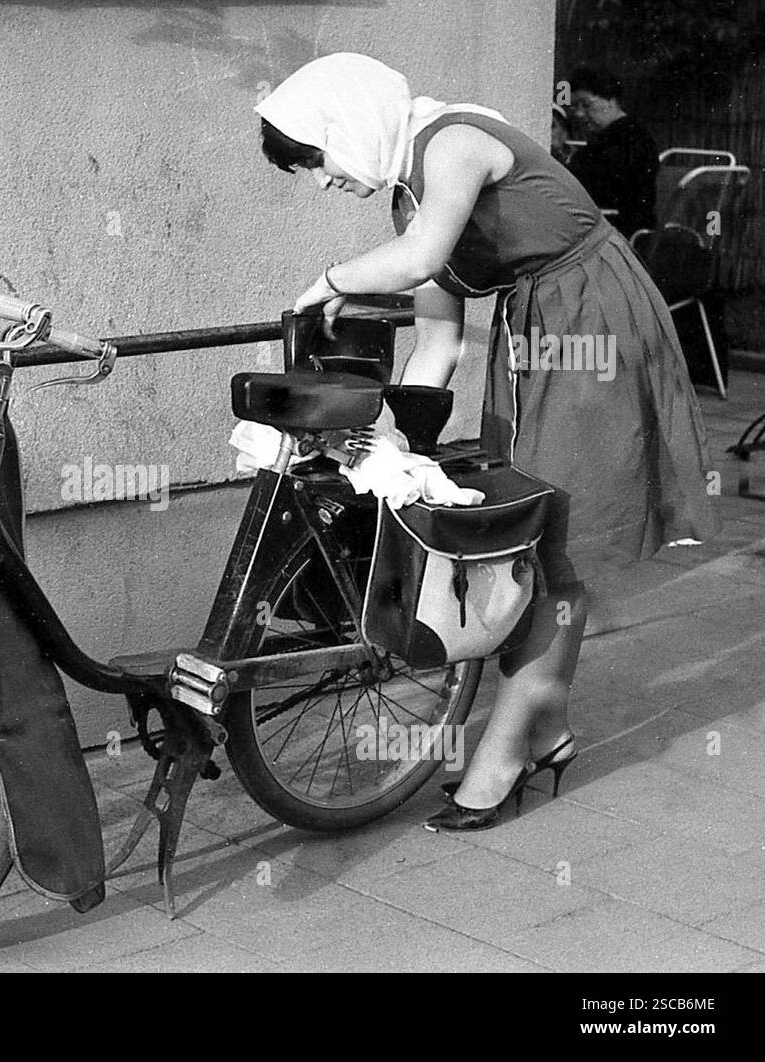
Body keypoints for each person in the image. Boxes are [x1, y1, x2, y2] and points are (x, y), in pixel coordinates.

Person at [255, 53, 720, 832]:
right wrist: (395, 446)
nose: (322, 180)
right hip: (537, 334)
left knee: (560, 542)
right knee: (534, 529)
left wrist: (332, 281)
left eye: (315, 158)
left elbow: (421, 262)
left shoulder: (452, 143)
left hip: (593, 321)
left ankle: (502, 756)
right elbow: (439, 343)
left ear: (348, 119)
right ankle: (548, 731)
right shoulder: (412, 200)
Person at [566, 67, 659, 237]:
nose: (579, 114)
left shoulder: (630, 139)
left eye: (586, 105)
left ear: (611, 100)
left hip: (617, 230)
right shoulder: (607, 138)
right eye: (574, 107)